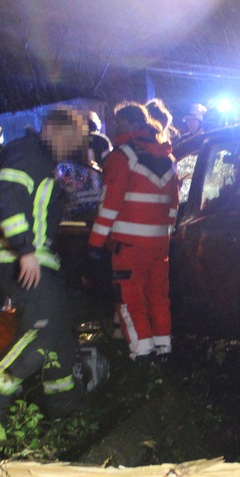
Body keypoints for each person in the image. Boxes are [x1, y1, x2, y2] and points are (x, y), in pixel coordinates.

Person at [0, 107, 90, 426]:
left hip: (34, 258)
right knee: (43, 326)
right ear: (50, 130)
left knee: (61, 330)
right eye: (69, 139)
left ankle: (64, 407)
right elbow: (7, 198)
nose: (70, 147)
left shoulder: (43, 160)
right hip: (15, 257)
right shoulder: (26, 152)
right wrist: (24, 249)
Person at [88, 102, 179, 365]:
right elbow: (173, 206)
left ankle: (142, 354)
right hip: (160, 244)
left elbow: (109, 206)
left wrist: (95, 243)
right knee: (158, 296)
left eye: (117, 123)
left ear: (127, 124)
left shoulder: (122, 157)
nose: (114, 128)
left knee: (129, 299)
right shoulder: (167, 157)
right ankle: (164, 349)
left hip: (128, 245)